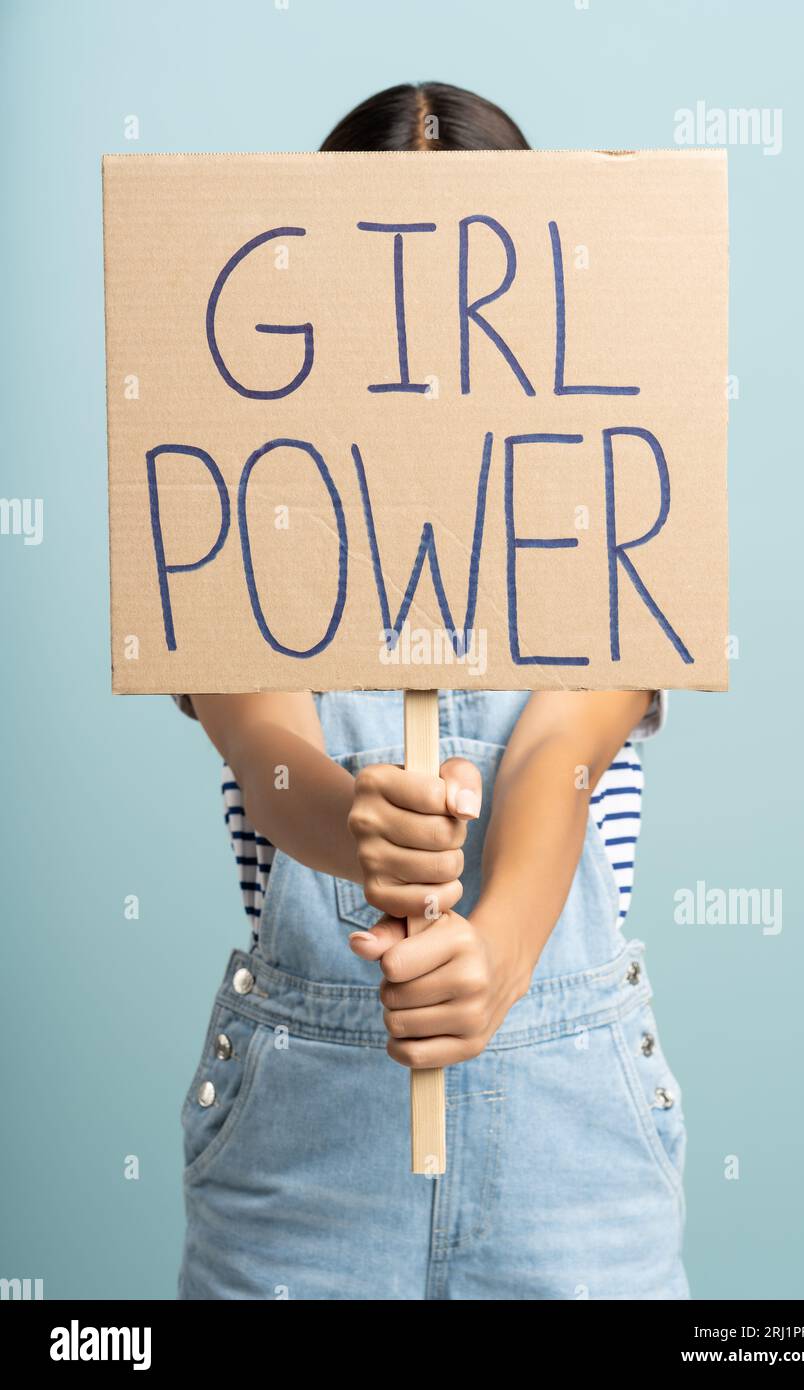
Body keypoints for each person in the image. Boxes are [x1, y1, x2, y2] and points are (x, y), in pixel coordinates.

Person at [174, 81, 689, 1301]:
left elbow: (558, 755)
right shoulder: (246, 514)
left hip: (578, 1162)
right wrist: (354, 818)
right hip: (301, 1165)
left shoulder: (605, 512)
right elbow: (269, 750)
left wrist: (497, 956)